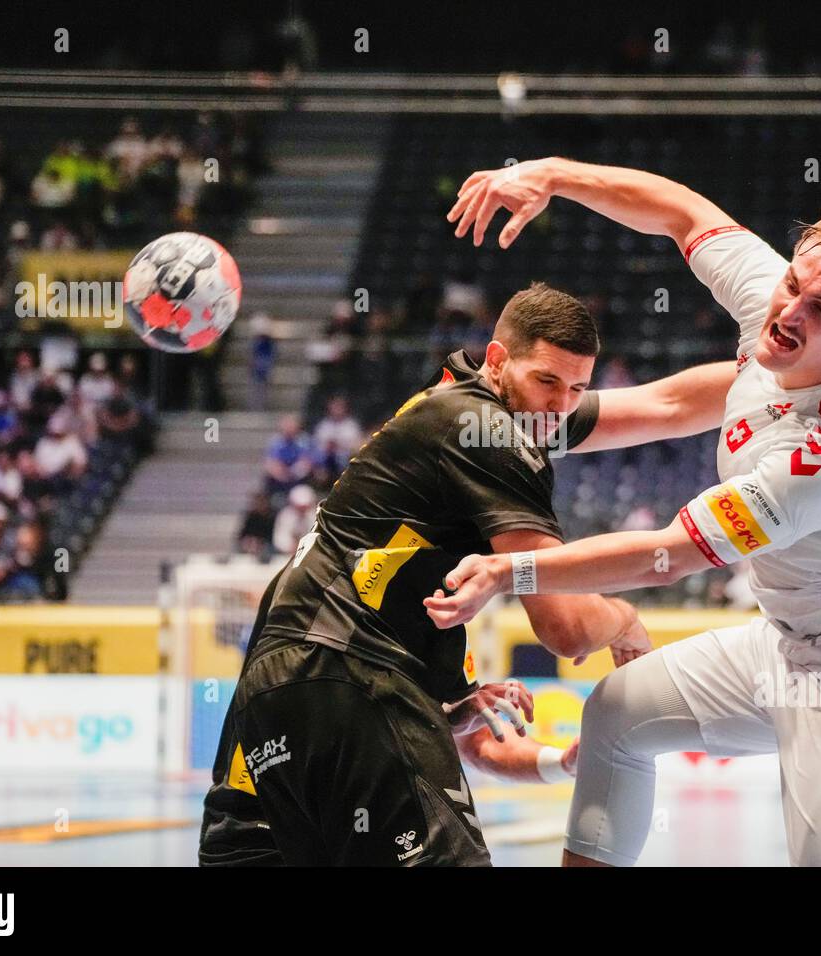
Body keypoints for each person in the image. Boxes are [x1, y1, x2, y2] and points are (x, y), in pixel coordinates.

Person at [430, 156, 821, 867]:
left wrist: (508, 572)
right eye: (794, 285)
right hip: (787, 641)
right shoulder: (787, 302)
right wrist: (551, 174)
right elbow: (681, 211)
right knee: (615, 715)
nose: (788, 313)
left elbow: (666, 555)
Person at [199, 281, 762, 867]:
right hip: (351, 677)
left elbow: (665, 406)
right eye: (546, 381)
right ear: (498, 360)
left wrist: (788, 374)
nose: (560, 405)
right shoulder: (494, 433)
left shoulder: (455, 425)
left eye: (577, 389)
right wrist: (625, 621)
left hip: (274, 696)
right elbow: (566, 628)